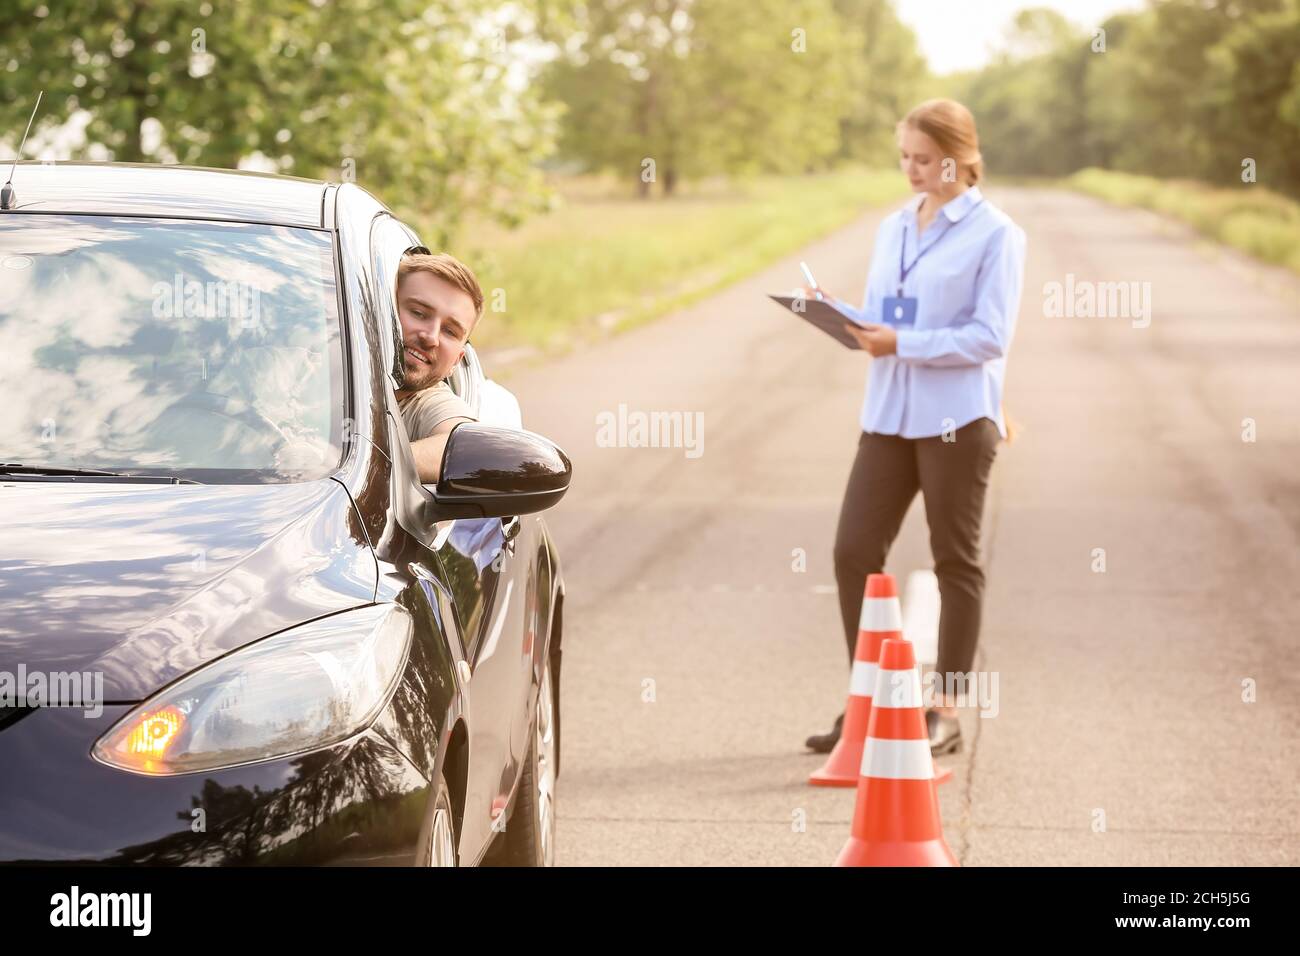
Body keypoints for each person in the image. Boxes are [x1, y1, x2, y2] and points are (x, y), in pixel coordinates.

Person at [803, 99, 1026, 756]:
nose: (911, 169)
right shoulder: (894, 227)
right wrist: (843, 318)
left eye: (923, 159)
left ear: (959, 158)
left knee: (955, 560)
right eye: (904, 156)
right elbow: (885, 311)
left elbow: (989, 337)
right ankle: (866, 702)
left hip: (957, 419)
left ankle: (947, 708)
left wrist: (901, 341)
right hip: (888, 416)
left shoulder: (997, 235)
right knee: (853, 552)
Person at [392, 252, 484, 482]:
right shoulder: (309, 365)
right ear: (383, 310)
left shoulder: (430, 404)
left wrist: (353, 464)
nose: (430, 337)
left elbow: (467, 452)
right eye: (418, 313)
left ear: (456, 361)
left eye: (450, 331)